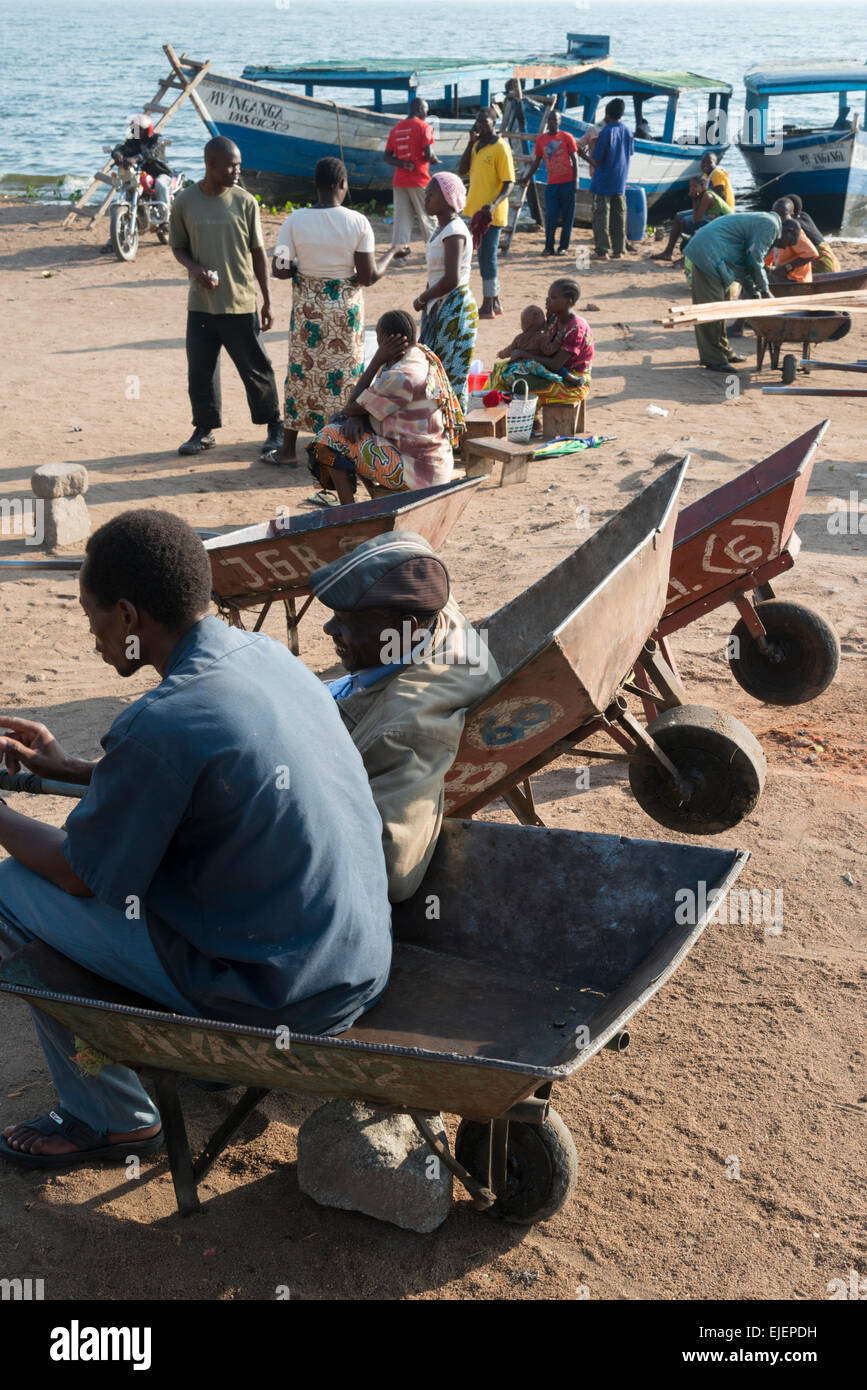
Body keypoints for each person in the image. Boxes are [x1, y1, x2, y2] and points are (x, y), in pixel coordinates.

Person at [0, 510, 392, 1167]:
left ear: (127, 615)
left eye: (90, 613)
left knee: (10, 886)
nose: (91, 632)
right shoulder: (262, 656)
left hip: (280, 996)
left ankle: (111, 1117)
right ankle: (163, 1049)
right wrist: (67, 768)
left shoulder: (162, 720)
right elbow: (196, 775)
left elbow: (75, 873)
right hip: (354, 961)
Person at [309, 531, 500, 902]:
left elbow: (392, 872)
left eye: (346, 621)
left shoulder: (403, 730)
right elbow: (410, 550)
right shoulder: (433, 614)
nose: (329, 629)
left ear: (407, 628)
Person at [265, 157, 402, 467]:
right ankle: (343, 444)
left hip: (308, 313)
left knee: (302, 373)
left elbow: (281, 268)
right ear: (343, 185)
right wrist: (391, 252)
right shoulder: (357, 222)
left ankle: (288, 449)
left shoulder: (294, 221)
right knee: (347, 374)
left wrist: (306, 267)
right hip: (344, 313)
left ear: (316, 185)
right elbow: (367, 277)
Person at [169, 136, 283, 459]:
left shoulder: (246, 202)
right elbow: (178, 246)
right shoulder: (185, 202)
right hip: (201, 306)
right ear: (211, 165)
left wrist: (267, 300)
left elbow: (259, 254)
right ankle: (204, 431)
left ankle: (274, 425)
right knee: (201, 372)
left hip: (240, 302)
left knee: (257, 369)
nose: (237, 170)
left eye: (238, 164)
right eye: (230, 165)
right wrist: (195, 268)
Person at [308, 310, 461, 505]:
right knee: (341, 424)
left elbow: (353, 405)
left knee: (328, 438)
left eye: (379, 336)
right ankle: (349, 507)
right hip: (430, 459)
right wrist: (355, 416)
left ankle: (348, 514)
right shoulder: (419, 354)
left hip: (418, 472)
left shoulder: (401, 375)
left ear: (390, 341)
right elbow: (362, 404)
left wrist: (376, 360)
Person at [413, 171, 478, 413]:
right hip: (439, 307)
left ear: (448, 198)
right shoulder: (440, 229)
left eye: (432, 194)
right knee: (433, 371)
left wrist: (422, 298)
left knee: (450, 374)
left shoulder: (455, 231)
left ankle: (452, 433)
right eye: (426, 193)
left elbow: (452, 278)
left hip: (455, 308)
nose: (426, 198)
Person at [684, 211, 781, 370]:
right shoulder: (771, 226)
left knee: (722, 310)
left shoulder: (763, 223)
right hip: (708, 255)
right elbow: (754, 261)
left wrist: (755, 294)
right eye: (787, 244)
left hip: (716, 255)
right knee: (710, 311)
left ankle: (724, 352)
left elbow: (747, 265)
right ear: (787, 232)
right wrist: (764, 291)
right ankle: (714, 360)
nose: (783, 249)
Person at [489, 278, 593, 411]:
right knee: (500, 368)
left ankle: (532, 423)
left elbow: (556, 364)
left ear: (569, 302)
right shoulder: (555, 317)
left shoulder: (575, 329)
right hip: (551, 370)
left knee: (517, 382)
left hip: (573, 380)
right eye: (548, 296)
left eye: (553, 297)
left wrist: (523, 354)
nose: (547, 300)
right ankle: (511, 416)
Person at [459, 108, 515, 318]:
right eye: (478, 123)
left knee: (487, 257)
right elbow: (462, 169)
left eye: (485, 123)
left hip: (492, 212)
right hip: (474, 210)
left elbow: (509, 182)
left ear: (494, 123)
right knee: (483, 256)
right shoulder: (477, 146)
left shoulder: (500, 147)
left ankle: (488, 303)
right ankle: (496, 302)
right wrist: (470, 142)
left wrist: (494, 204)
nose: (481, 126)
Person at [104, 114, 173, 250]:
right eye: (134, 128)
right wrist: (117, 154)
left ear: (147, 129)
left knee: (160, 185)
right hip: (138, 173)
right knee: (127, 189)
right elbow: (122, 148)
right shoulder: (133, 141)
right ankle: (117, 235)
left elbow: (152, 152)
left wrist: (136, 158)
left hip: (159, 173)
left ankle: (165, 221)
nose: (136, 131)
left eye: (139, 129)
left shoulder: (157, 140)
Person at [520, 110, 579, 257]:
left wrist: (575, 180)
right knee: (551, 217)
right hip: (552, 185)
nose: (552, 122)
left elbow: (575, 159)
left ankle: (563, 247)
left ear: (560, 122)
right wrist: (526, 177)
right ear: (547, 121)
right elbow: (537, 162)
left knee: (567, 218)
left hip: (568, 183)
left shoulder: (567, 137)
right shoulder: (542, 140)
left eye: (555, 119)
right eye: (550, 119)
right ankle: (548, 247)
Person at [384, 98, 439, 251]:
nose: (427, 115)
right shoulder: (425, 127)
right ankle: (435, 252)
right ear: (420, 109)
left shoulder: (396, 129)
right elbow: (428, 154)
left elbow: (386, 157)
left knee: (401, 221)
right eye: (426, 112)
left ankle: (399, 257)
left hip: (400, 181)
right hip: (419, 180)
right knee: (428, 217)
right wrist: (435, 160)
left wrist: (402, 164)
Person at [589, 99, 634, 261]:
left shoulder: (606, 132)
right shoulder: (627, 131)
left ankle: (602, 250)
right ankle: (619, 249)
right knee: (619, 215)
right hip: (620, 179)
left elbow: (598, 159)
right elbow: (629, 153)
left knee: (601, 215)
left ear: (607, 114)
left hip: (603, 180)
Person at [496, 304, 586, 385]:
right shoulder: (541, 337)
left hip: (522, 365)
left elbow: (509, 349)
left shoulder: (519, 338)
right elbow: (549, 351)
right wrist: (558, 339)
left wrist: (501, 354)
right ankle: (573, 379)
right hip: (538, 365)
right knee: (558, 368)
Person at [652, 174, 732, 262]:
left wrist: (693, 199)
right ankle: (668, 252)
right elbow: (696, 213)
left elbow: (696, 219)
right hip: (711, 216)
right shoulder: (700, 195)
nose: (692, 189)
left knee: (687, 221)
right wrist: (694, 199)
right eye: (690, 186)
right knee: (678, 216)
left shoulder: (707, 196)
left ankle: (687, 257)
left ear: (703, 186)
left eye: (695, 186)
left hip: (723, 221)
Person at [775, 195, 840, 273]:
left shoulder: (793, 227)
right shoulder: (804, 216)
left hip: (822, 266)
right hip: (833, 262)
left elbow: (810, 254)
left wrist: (786, 268)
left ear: (790, 211)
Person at [768, 217, 818, 283]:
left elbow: (812, 254)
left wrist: (786, 268)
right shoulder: (776, 233)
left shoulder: (793, 233)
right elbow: (767, 260)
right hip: (782, 276)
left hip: (796, 278)